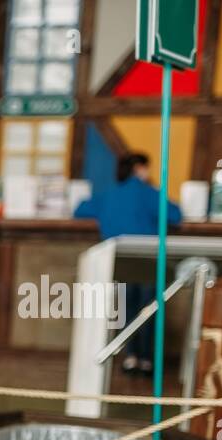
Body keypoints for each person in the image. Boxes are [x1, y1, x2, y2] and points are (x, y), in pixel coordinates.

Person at [74, 152, 182, 376]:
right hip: (148, 260)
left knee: (126, 308)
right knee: (149, 309)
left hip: (118, 260)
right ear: (139, 169)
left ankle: (130, 356)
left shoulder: (109, 195)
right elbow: (176, 215)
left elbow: (79, 210)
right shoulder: (148, 194)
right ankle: (145, 360)